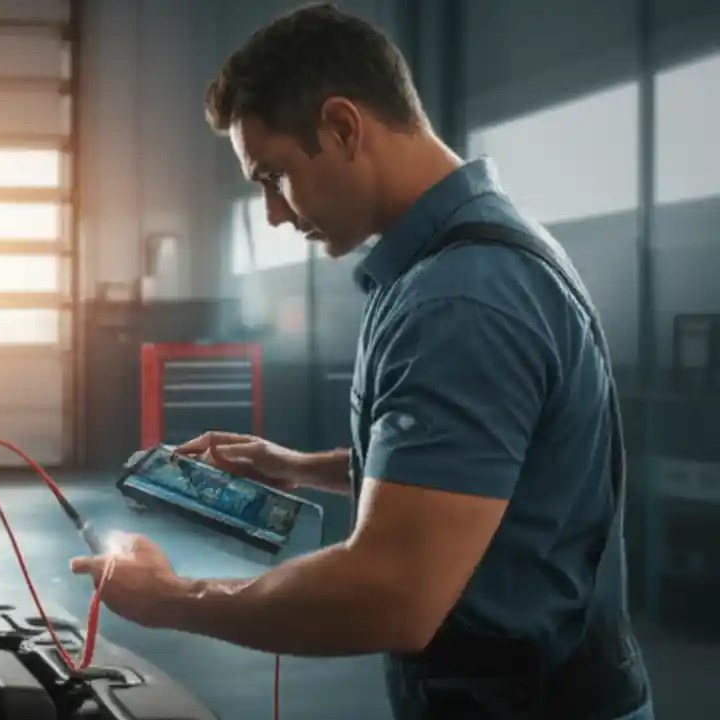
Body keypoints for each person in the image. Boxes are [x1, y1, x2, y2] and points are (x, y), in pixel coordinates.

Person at [68, 4, 654, 719]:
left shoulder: (460, 299)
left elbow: (391, 593)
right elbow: (472, 469)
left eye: (274, 175)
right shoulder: (474, 253)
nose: (275, 213)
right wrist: (295, 467)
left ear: (343, 127)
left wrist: (176, 599)